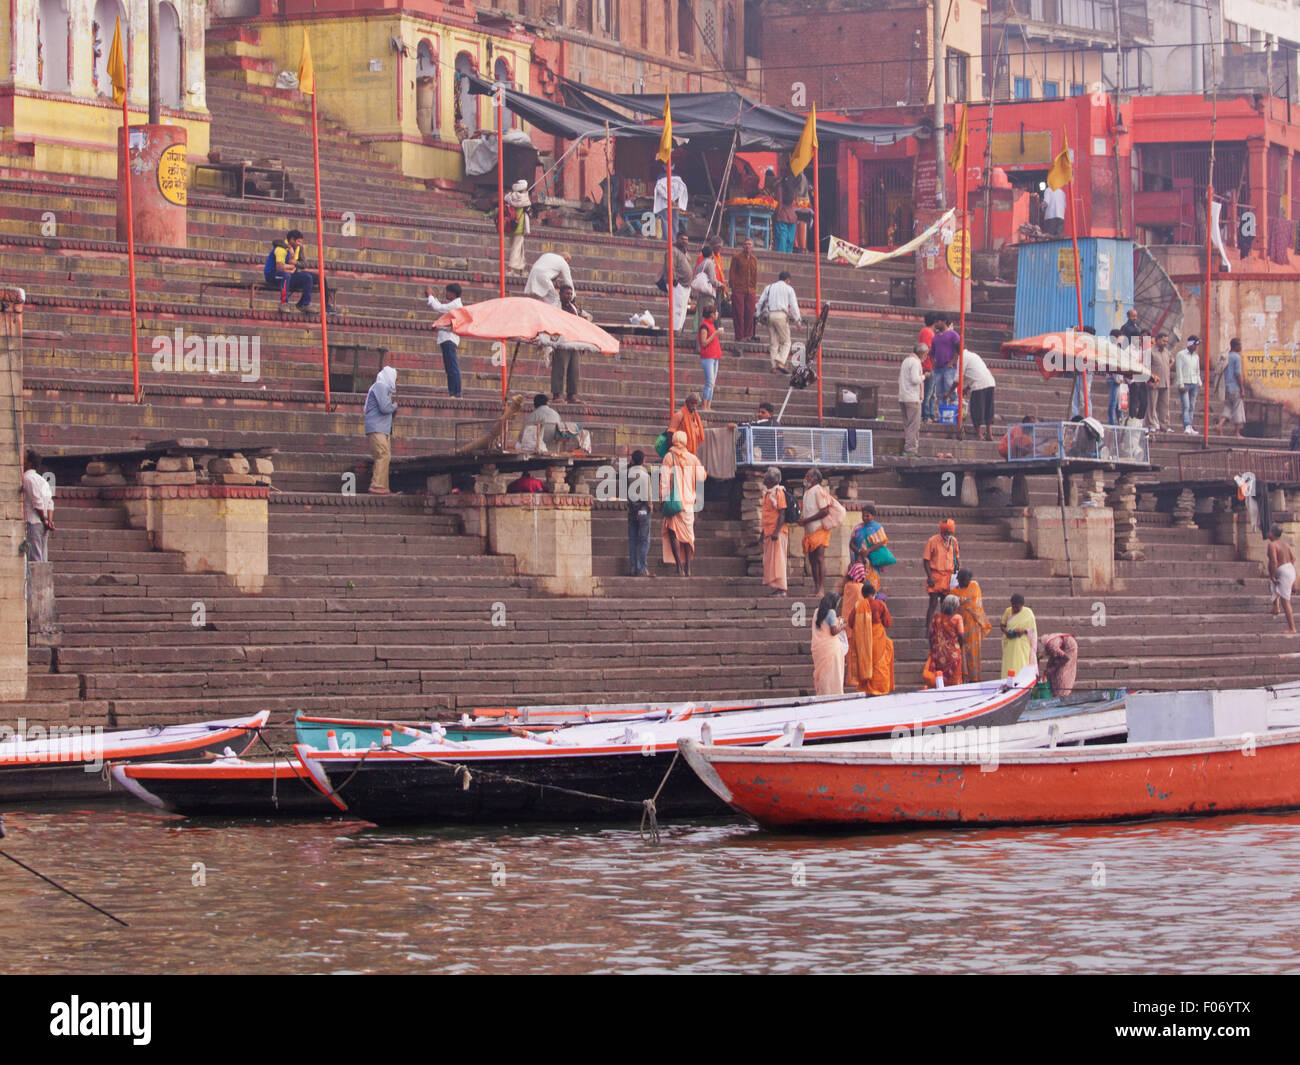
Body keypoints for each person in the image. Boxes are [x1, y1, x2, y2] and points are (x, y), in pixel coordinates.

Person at [660, 429, 706, 576]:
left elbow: (664, 482)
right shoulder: (692, 458)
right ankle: (688, 567)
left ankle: (679, 567)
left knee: (674, 533)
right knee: (687, 536)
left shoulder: (669, 457)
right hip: (688, 504)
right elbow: (702, 477)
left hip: (674, 502)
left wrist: (662, 499)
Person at [265, 228, 337, 314]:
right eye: (298, 242)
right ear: (292, 240)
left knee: (308, 278)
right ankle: (283, 303)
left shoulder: (297, 248)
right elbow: (280, 267)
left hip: (288, 274)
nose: (300, 244)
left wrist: (292, 261)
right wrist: (290, 268)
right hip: (272, 274)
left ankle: (303, 304)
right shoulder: (280, 248)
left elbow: (295, 264)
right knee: (286, 276)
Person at [799, 468, 839, 599]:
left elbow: (824, 511)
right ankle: (816, 589)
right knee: (812, 560)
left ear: (815, 479)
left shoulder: (819, 490)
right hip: (809, 531)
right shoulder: (807, 492)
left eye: (808, 475)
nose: (806, 477)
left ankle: (821, 589)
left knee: (819, 559)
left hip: (819, 529)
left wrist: (806, 520)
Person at [550, 283, 590, 403]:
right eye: (567, 293)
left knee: (574, 369)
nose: (569, 296)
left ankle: (571, 395)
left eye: (571, 294)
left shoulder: (574, 308)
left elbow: (584, 319)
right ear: (560, 294)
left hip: (575, 341)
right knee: (559, 368)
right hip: (562, 341)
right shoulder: (556, 307)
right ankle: (557, 395)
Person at [755, 270, 802, 373]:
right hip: (781, 315)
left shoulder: (769, 287)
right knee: (786, 342)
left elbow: (761, 302)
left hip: (770, 316)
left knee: (774, 342)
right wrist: (798, 320)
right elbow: (794, 306)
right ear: (787, 280)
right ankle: (781, 362)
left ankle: (773, 366)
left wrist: (757, 315)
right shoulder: (789, 289)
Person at [951, 568, 991, 683]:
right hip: (960, 625)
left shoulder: (974, 586)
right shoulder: (953, 592)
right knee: (962, 651)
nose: (968, 582)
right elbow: (954, 607)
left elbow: (975, 603)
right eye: (965, 580)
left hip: (974, 624)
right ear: (960, 580)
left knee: (973, 653)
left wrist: (964, 602)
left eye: (969, 580)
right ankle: (963, 677)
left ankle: (975, 678)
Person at [425, 283, 464, 398]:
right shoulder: (454, 304)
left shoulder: (455, 305)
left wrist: (430, 296)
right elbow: (442, 310)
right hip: (447, 338)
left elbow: (439, 308)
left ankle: (456, 393)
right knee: (450, 367)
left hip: (449, 339)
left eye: (447, 292)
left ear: (452, 294)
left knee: (452, 367)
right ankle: (453, 392)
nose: (446, 294)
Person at [364, 366, 398, 494]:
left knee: (385, 456)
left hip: (382, 429)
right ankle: (377, 485)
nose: (396, 382)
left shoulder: (384, 389)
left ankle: (383, 486)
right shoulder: (380, 386)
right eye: (396, 379)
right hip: (376, 428)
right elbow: (384, 408)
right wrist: (395, 406)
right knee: (382, 455)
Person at [922, 518, 960, 629]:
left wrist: (958, 571)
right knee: (933, 603)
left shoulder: (954, 541)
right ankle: (928, 629)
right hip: (935, 576)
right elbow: (926, 560)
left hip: (949, 578)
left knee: (946, 605)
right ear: (941, 531)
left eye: (950, 532)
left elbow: (957, 558)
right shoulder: (932, 540)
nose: (947, 534)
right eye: (945, 532)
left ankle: (943, 629)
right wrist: (929, 577)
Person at [859, 582, 895, 696]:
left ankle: (868, 688)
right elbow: (888, 622)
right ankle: (880, 688)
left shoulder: (859, 606)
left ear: (863, 594)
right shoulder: (879, 604)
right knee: (880, 663)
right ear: (874, 593)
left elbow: (850, 622)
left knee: (867, 663)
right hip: (878, 637)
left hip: (864, 639)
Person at [849, 504, 891, 591]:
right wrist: (859, 551)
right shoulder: (858, 528)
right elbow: (851, 544)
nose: (864, 518)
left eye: (867, 516)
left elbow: (882, 542)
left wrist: (869, 550)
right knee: (859, 584)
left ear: (873, 516)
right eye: (863, 515)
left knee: (872, 586)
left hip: (872, 561)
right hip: (859, 561)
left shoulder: (877, 528)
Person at [811, 593, 847, 696]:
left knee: (824, 676)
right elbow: (834, 631)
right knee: (834, 676)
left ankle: (823, 697)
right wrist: (843, 626)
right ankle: (834, 698)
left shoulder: (816, 612)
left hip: (819, 648)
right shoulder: (831, 612)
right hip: (831, 649)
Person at [760, 466, 788, 594]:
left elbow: (782, 513)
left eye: (766, 476)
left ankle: (782, 589)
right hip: (769, 532)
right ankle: (777, 588)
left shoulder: (779, 492)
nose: (764, 478)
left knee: (778, 561)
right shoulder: (769, 493)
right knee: (772, 561)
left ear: (771, 479)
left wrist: (776, 531)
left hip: (777, 533)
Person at [21, 452, 54, 562]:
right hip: (43, 522)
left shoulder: (27, 478)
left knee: (35, 557)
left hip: (33, 521)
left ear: (28, 463)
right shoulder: (42, 480)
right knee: (42, 555)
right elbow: (50, 502)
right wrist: (49, 520)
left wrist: (44, 519)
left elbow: (37, 501)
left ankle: (37, 579)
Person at [659, 232, 694, 333]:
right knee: (676, 308)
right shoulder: (672, 251)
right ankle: (674, 330)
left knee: (683, 309)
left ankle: (679, 329)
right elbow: (670, 266)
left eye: (686, 239)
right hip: (677, 284)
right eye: (682, 239)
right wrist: (674, 280)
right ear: (677, 239)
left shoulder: (684, 252)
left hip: (685, 286)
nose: (685, 241)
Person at [928, 594, 965, 687]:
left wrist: (933, 650)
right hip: (953, 654)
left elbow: (931, 635)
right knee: (954, 681)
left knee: (940, 680)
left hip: (939, 655)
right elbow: (961, 636)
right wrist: (959, 647)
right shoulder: (957, 618)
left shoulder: (936, 617)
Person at [1267, 523, 1297, 634]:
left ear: (1272, 533)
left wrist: (1273, 575)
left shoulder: (1272, 545)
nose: (1267, 533)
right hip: (1289, 569)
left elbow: (1274, 561)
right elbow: (1293, 559)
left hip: (1282, 571)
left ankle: (1292, 628)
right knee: (1271, 584)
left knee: (1286, 602)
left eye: (1269, 531)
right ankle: (1276, 607)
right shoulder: (1285, 544)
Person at [627, 449, 653, 577]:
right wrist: (650, 508)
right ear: (643, 461)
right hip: (643, 510)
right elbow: (648, 497)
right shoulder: (645, 476)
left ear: (632, 460)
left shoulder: (628, 474)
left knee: (633, 539)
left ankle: (633, 567)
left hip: (632, 510)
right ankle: (642, 568)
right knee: (643, 540)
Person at [1000, 592, 1038, 678]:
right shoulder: (1008, 611)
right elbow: (1002, 625)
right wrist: (1006, 632)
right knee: (1009, 664)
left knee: (1021, 663)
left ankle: (1021, 682)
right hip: (1010, 644)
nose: (1015, 609)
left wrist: (1023, 631)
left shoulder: (1028, 613)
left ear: (1022, 605)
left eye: (1017, 607)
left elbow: (1032, 629)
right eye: (1013, 606)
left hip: (1022, 644)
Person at [961, 348, 996, 440]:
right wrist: (968, 387)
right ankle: (989, 433)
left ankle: (979, 434)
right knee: (989, 408)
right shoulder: (974, 355)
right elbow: (977, 373)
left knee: (976, 409)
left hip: (979, 385)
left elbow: (957, 379)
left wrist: (948, 393)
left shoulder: (962, 358)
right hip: (990, 382)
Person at [729, 237, 759, 340]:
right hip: (738, 290)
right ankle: (739, 336)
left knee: (749, 314)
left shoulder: (754, 259)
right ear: (743, 246)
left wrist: (754, 289)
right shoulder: (737, 257)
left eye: (749, 244)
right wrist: (733, 287)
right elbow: (732, 274)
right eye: (746, 244)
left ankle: (748, 336)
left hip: (750, 291)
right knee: (738, 314)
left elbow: (755, 275)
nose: (747, 246)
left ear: (752, 247)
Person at [1216, 337, 1246, 438]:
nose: (1241, 347)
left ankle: (1219, 425)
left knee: (1228, 407)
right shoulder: (1237, 357)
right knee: (1238, 408)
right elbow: (1238, 374)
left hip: (1226, 388)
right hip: (1235, 387)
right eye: (1240, 345)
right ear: (1236, 346)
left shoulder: (1227, 356)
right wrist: (1242, 389)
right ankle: (1237, 432)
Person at [898, 343, 925, 457]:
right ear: (921, 353)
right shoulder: (915, 362)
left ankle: (908, 448)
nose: (926, 356)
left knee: (908, 425)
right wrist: (925, 376)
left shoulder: (906, 360)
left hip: (903, 397)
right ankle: (911, 449)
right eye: (926, 353)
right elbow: (915, 379)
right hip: (912, 398)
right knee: (914, 425)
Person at [929, 318, 961, 408]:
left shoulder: (953, 334)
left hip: (949, 368)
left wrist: (953, 361)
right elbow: (931, 353)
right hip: (938, 369)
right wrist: (933, 364)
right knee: (939, 393)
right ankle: (943, 415)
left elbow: (959, 349)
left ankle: (955, 413)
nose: (936, 324)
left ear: (943, 322)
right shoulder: (935, 337)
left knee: (951, 392)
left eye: (937, 321)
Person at [697, 302, 723, 411]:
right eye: (715, 312)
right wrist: (715, 333)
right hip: (707, 356)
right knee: (710, 381)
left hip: (715, 356)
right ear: (711, 314)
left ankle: (709, 405)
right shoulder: (704, 326)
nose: (717, 314)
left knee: (712, 383)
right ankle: (704, 405)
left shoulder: (712, 325)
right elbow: (703, 343)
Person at [1175, 335, 1202, 434]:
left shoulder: (1196, 356)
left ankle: (1190, 426)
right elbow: (1179, 371)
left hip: (1194, 383)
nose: (1195, 347)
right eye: (1194, 344)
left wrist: (1199, 382)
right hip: (1185, 383)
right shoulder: (1180, 355)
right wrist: (1181, 384)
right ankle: (1186, 425)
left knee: (1192, 406)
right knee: (1186, 405)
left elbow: (1197, 370)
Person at [503, 180, 531, 274]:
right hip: (519, 227)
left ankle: (522, 269)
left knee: (520, 247)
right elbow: (528, 206)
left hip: (510, 226)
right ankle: (510, 268)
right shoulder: (524, 199)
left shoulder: (509, 197)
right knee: (516, 248)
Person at [654, 166, 688, 240]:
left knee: (666, 220)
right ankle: (674, 239)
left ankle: (668, 239)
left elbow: (660, 190)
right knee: (674, 221)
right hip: (674, 203)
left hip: (665, 203)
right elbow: (681, 189)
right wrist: (674, 199)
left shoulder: (660, 177)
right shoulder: (678, 178)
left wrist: (669, 198)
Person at [1148, 331, 1172, 434]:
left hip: (1165, 382)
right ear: (1157, 340)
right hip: (1154, 383)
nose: (1165, 343)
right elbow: (1146, 367)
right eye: (1163, 341)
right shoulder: (1150, 352)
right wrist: (1149, 380)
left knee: (1165, 405)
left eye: (1166, 341)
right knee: (1152, 405)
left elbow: (1171, 361)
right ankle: (1151, 424)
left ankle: (1164, 425)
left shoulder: (1167, 352)